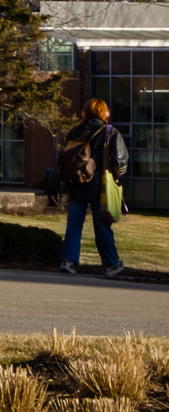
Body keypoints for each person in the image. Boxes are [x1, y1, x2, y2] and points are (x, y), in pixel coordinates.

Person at [58, 97, 132, 280]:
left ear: (86, 112)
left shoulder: (75, 132)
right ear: (104, 113)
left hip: (76, 183)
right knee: (102, 225)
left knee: (74, 224)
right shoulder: (110, 131)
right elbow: (121, 162)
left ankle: (68, 262)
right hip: (100, 186)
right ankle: (111, 264)